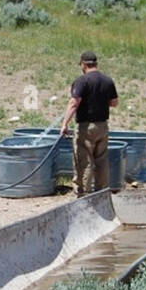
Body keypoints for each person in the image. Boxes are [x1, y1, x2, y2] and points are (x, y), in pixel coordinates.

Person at [58, 50, 119, 197]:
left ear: (84, 64)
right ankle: (102, 192)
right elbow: (114, 102)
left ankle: (83, 193)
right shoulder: (108, 80)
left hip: (86, 127)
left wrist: (64, 124)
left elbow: (74, 103)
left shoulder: (82, 81)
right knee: (101, 160)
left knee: (84, 160)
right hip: (102, 126)